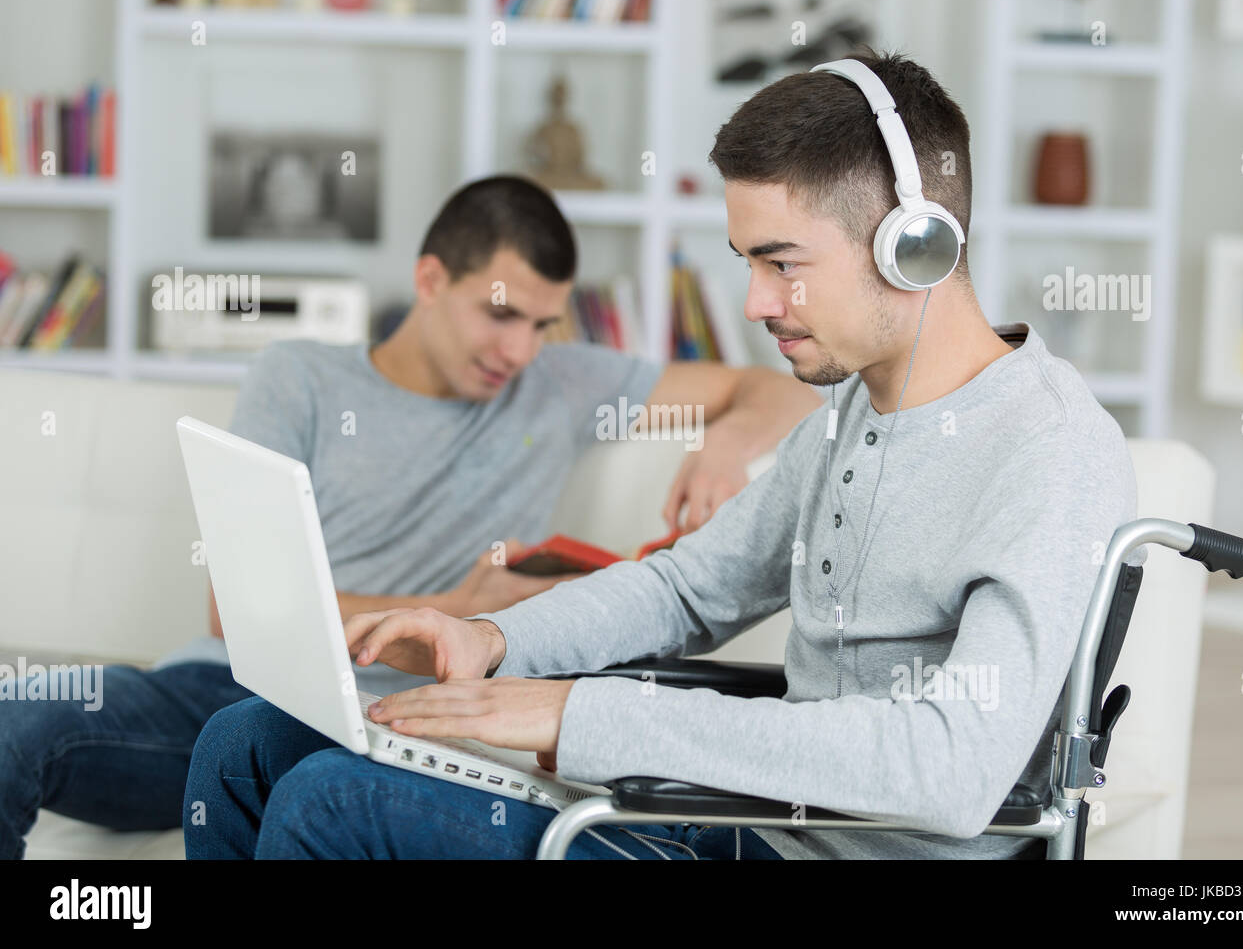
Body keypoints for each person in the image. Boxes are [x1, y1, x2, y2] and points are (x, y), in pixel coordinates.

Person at [185, 48, 1146, 861]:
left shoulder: (1049, 451)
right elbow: (687, 590)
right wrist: (494, 640)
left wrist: (581, 717)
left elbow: (953, 767)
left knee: (331, 802)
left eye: (783, 263)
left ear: (914, 246)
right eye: (748, 264)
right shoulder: (854, 411)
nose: (757, 304)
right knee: (247, 745)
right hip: (744, 822)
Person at [0, 174, 818, 860]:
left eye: (542, 324)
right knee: (18, 722)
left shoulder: (561, 383)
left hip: (409, 720)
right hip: (237, 688)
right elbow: (236, 611)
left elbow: (776, 387)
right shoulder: (300, 377)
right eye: (500, 314)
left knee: (316, 790)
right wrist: (455, 610)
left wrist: (724, 442)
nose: (519, 351)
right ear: (431, 281)